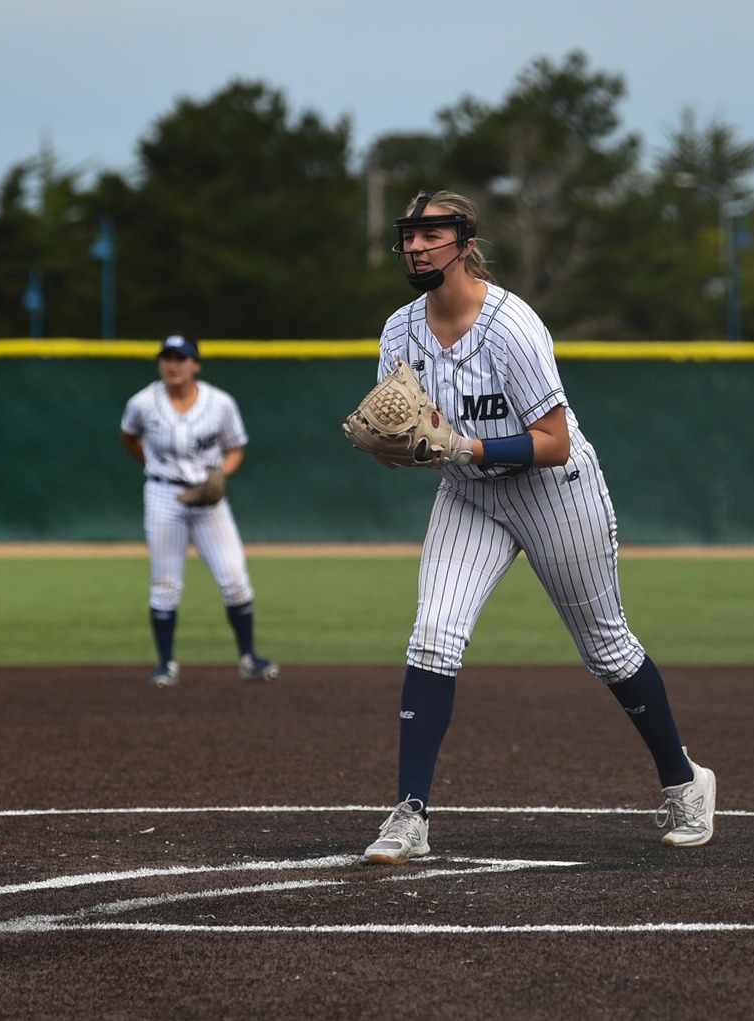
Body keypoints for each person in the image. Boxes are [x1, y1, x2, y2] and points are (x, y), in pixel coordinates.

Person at [357, 190, 716, 865]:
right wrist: (392, 445)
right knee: (434, 634)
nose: (414, 245)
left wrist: (465, 447)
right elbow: (408, 442)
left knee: (606, 648)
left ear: (463, 241)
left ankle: (684, 779)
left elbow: (550, 440)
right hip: (469, 497)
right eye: (408, 234)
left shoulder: (510, 325)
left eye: (431, 233)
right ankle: (410, 813)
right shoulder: (399, 330)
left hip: (554, 490)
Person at [119, 333, 279, 687]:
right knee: (165, 585)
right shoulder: (143, 403)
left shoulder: (220, 403)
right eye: (167, 357)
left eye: (181, 358)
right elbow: (128, 436)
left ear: (195, 364)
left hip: (209, 499)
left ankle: (249, 658)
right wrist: (150, 464)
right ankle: (166, 665)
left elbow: (235, 447)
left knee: (235, 579)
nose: (173, 364)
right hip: (163, 495)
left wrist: (221, 474)